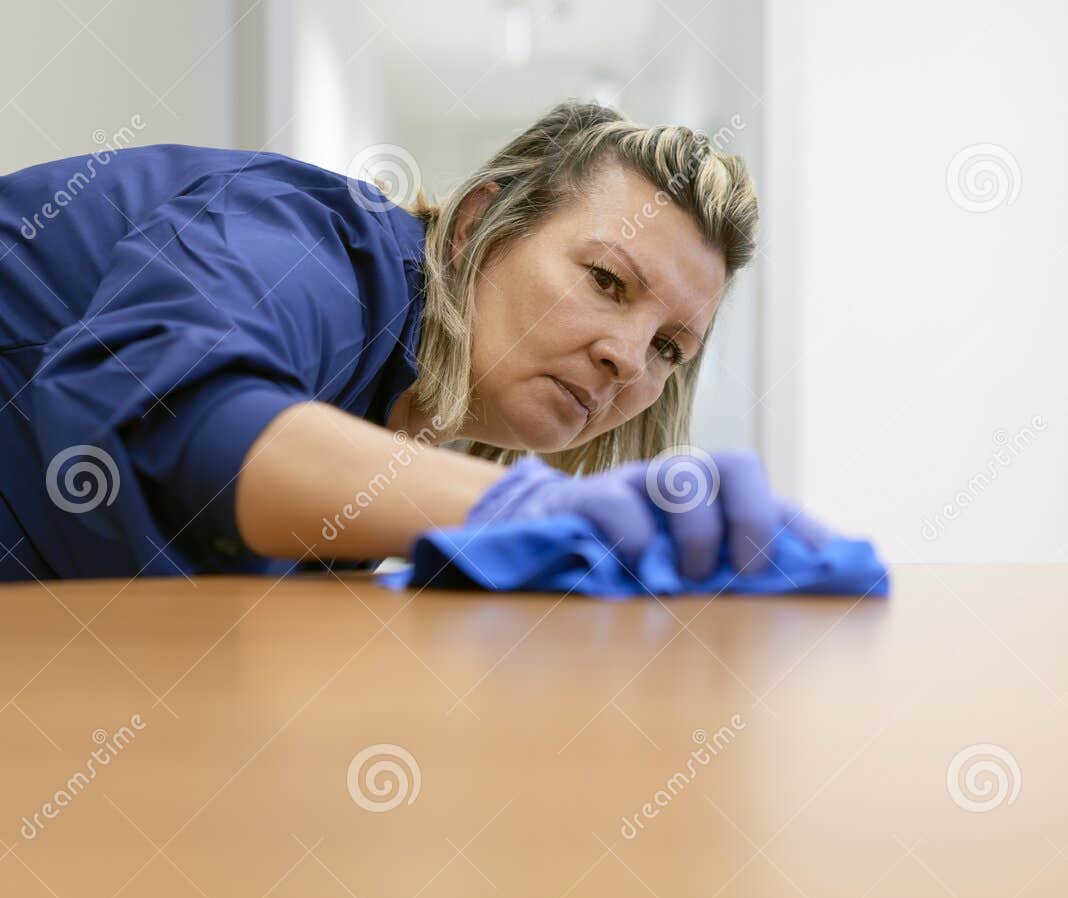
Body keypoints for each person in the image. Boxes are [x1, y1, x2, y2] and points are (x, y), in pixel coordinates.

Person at [0, 99, 831, 585]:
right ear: (476, 227)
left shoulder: (414, 420)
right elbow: (165, 413)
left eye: (669, 350)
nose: (626, 357)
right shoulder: (316, 246)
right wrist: (522, 512)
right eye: (606, 281)